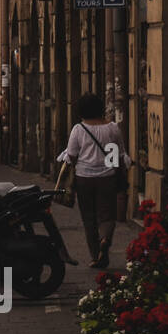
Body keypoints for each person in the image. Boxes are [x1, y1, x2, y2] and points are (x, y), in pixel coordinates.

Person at [59, 93, 128, 269]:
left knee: (89, 218)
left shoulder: (78, 130)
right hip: (107, 178)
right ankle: (105, 239)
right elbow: (117, 154)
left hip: (84, 179)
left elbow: (72, 156)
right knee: (107, 215)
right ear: (100, 108)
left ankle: (95, 256)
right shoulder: (112, 128)